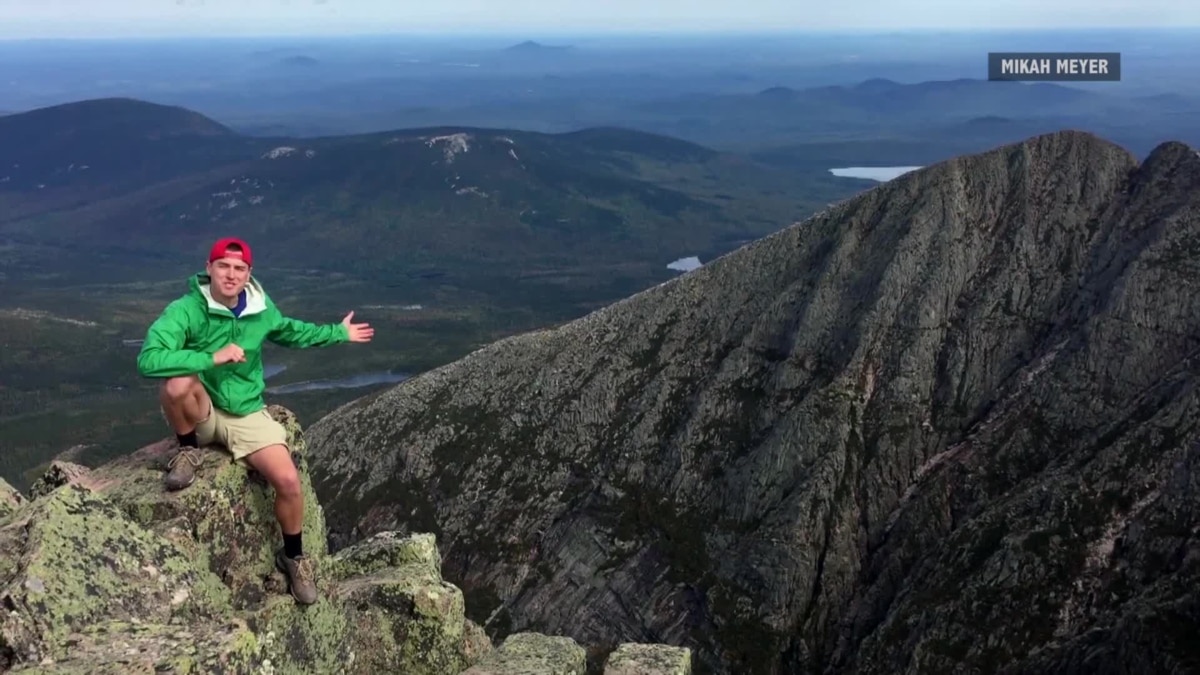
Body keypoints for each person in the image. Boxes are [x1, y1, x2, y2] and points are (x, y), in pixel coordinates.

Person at [136, 236, 373, 605]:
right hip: (205, 410)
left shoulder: (261, 310)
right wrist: (210, 358)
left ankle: (293, 557)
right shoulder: (186, 310)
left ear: (249, 274)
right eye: (223, 266)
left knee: (288, 481)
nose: (231, 275)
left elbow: (293, 332)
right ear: (209, 267)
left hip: (246, 412)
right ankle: (187, 450)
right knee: (177, 383)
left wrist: (337, 333)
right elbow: (148, 360)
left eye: (239, 268)